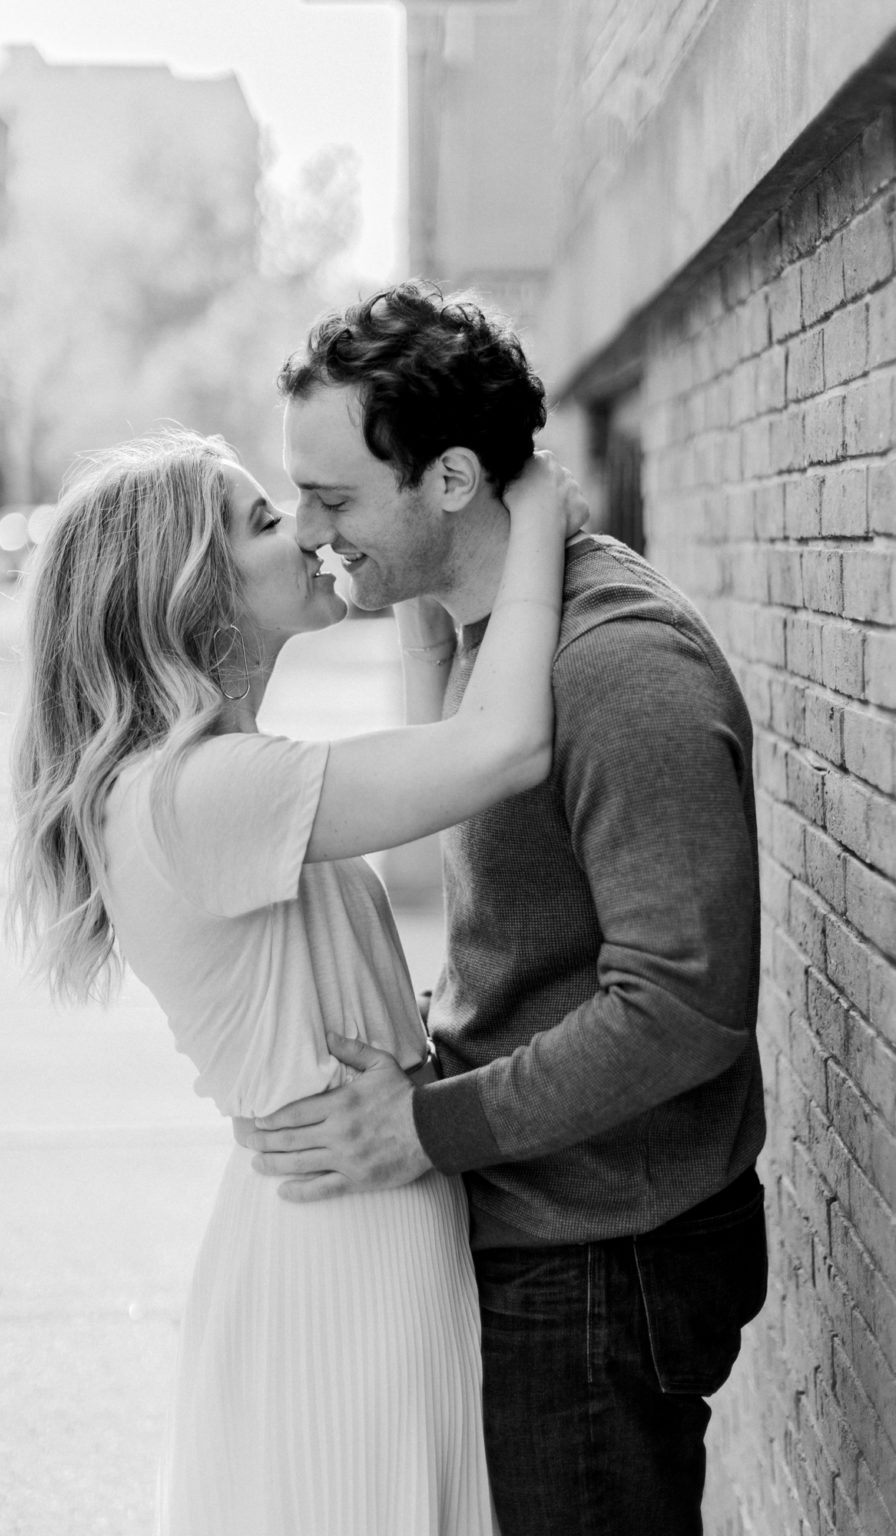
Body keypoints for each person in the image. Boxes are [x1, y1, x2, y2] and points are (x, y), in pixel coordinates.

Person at [237, 281, 769, 1536]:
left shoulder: (617, 671)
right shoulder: (507, 642)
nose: (311, 531)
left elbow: (683, 1004)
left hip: (601, 1261)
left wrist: (429, 1127)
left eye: (335, 498)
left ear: (455, 480)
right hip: (550, 1235)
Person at [7, 423, 587, 1535]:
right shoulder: (201, 794)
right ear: (194, 597)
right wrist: (538, 527)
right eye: (267, 522)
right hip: (342, 1251)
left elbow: (448, 751)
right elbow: (499, 749)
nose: (310, 529)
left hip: (347, 1217)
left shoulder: (194, 785)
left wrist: (426, 563)